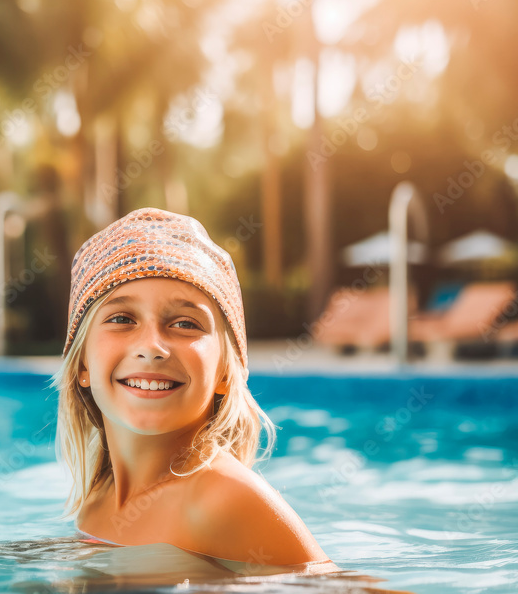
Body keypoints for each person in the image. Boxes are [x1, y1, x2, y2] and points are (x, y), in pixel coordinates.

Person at [50, 207, 336, 572]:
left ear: (224, 374)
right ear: (83, 364)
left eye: (185, 323)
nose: (151, 345)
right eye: (121, 319)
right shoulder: (98, 496)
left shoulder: (224, 499)